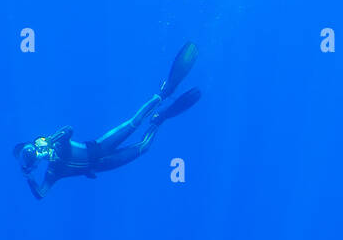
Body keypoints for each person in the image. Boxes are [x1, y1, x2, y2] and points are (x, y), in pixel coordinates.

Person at [14, 43, 202, 200]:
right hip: (102, 165)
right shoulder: (52, 173)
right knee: (143, 148)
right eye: (29, 159)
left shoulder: (57, 146)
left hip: (100, 146)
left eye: (30, 152)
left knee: (134, 123)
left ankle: (164, 92)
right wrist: (29, 178)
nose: (34, 155)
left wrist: (50, 140)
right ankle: (160, 119)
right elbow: (41, 194)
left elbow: (69, 130)